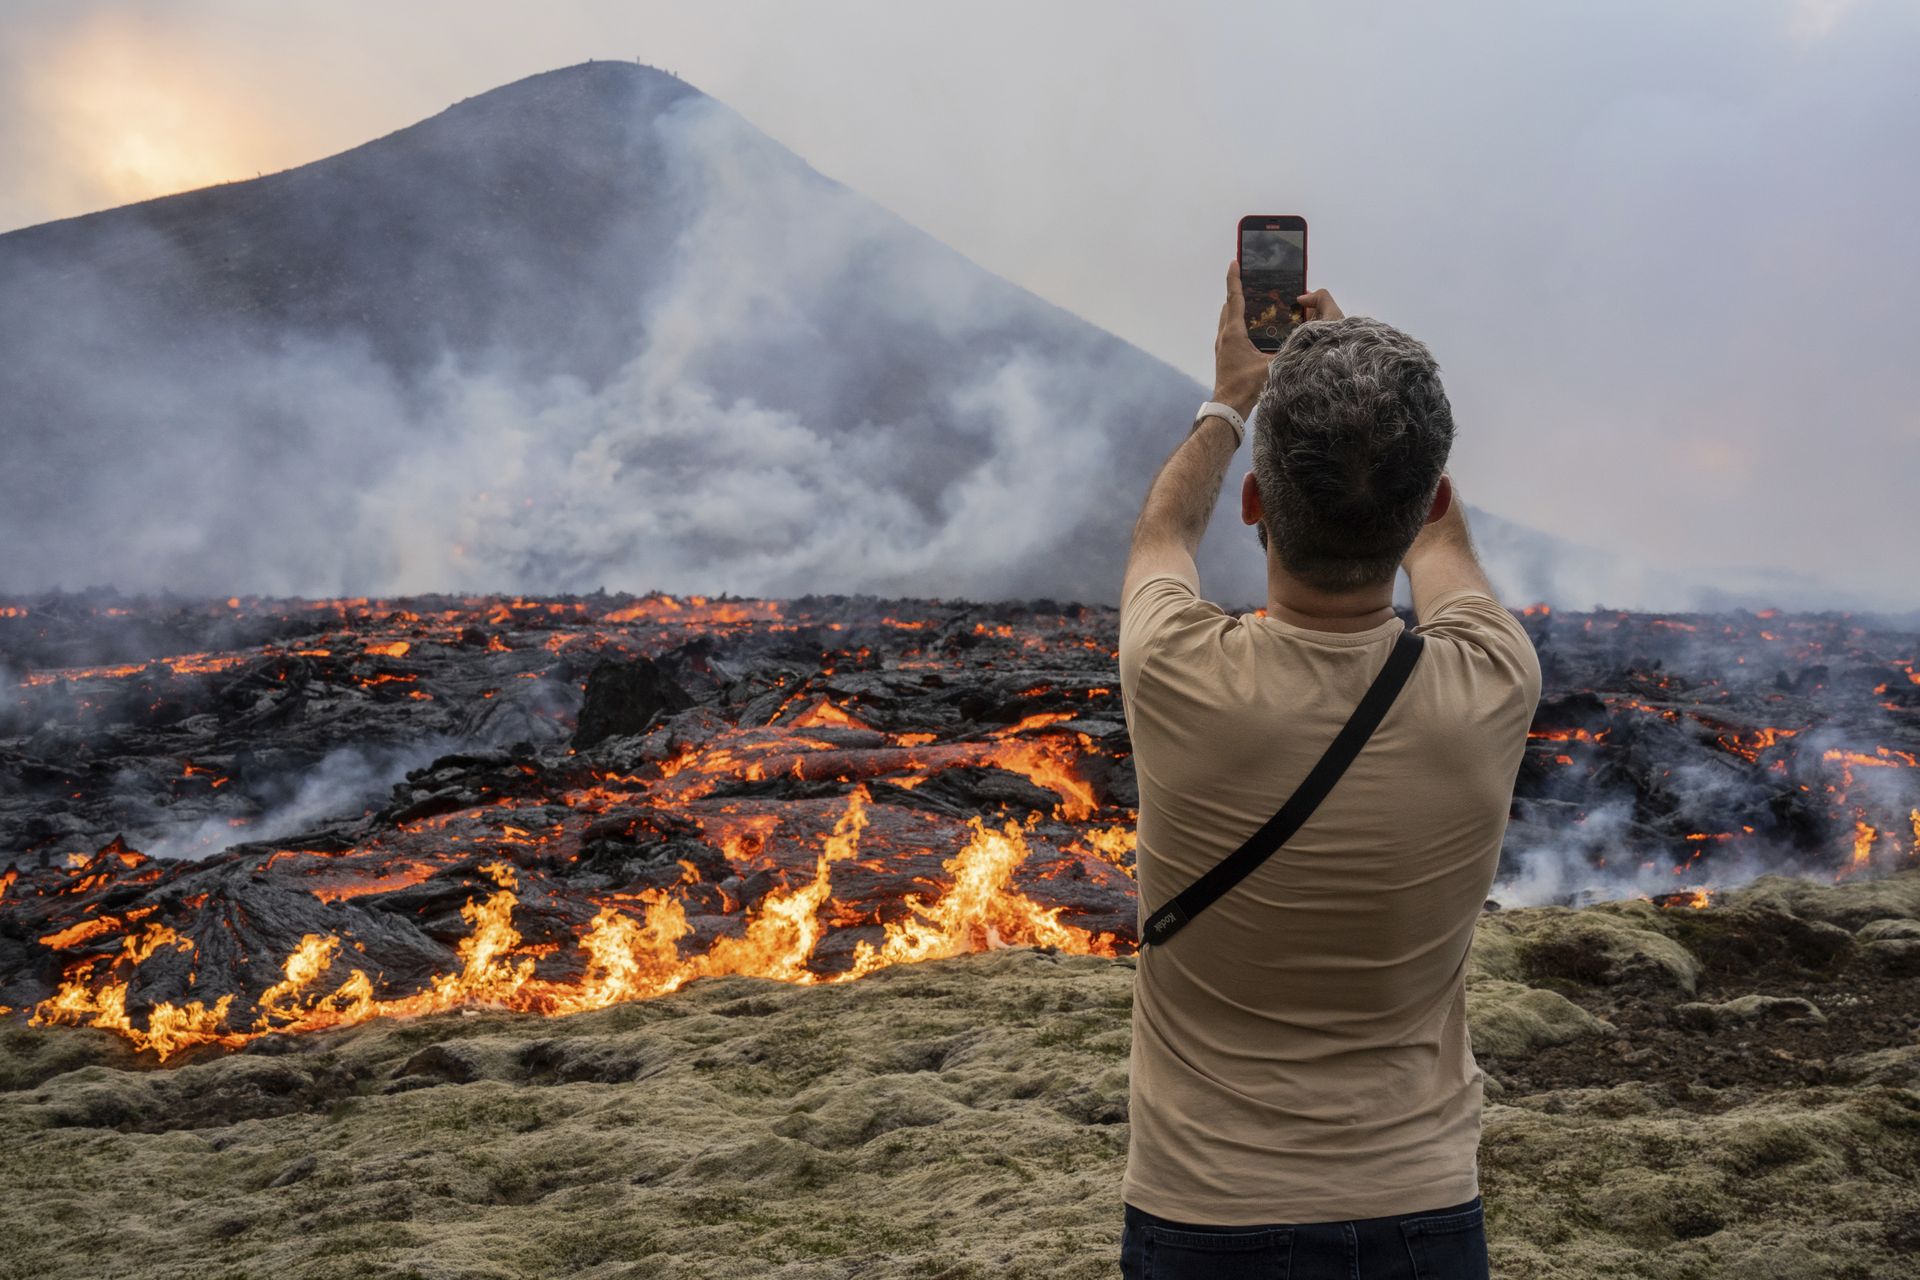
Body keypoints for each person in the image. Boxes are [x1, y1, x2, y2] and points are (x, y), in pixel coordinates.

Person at [1114, 262, 1542, 1279]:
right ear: (1429, 493)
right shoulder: (1492, 676)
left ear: (1258, 500)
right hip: (1424, 1213)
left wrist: (1230, 400)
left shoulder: (1176, 669)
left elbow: (1161, 533)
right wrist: (1374, 412)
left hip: (1203, 1213)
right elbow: (1440, 542)